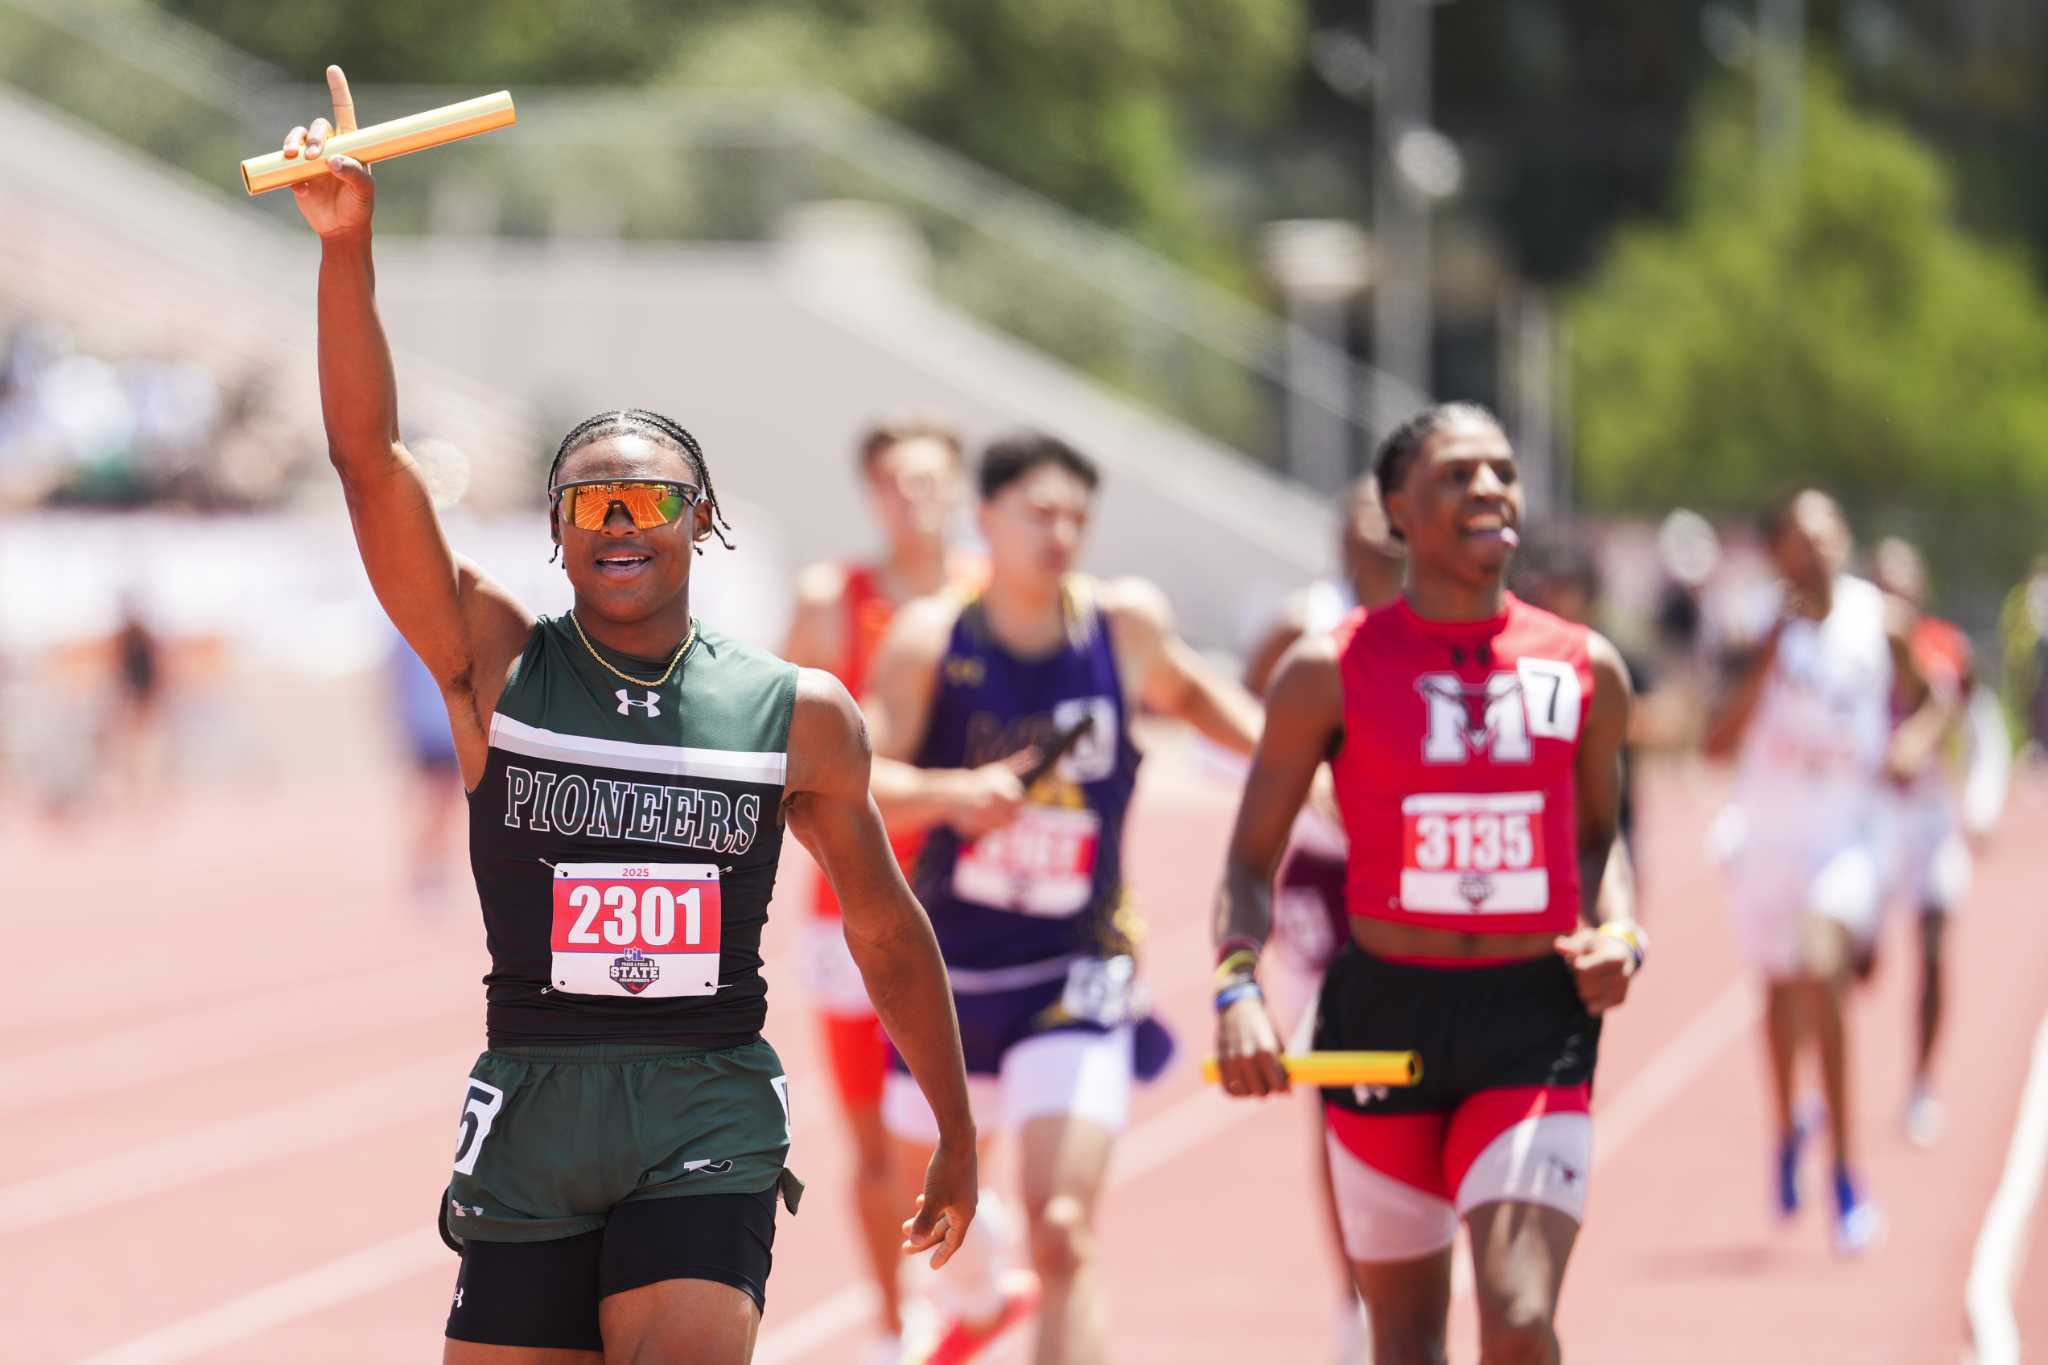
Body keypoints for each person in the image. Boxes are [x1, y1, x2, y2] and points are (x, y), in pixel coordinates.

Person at [279, 68, 977, 1364]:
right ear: (554, 532)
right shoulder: (490, 662)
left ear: (699, 523)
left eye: (648, 501)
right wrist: (348, 248)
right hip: (535, 1098)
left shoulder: (797, 713)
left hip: (704, 1100)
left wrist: (955, 1121)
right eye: (590, 504)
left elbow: (885, 925)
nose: (619, 523)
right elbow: (366, 462)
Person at [1213, 402, 1641, 1365]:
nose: (1489, 488)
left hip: (1533, 1017)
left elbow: (1602, 842)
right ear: (1396, 509)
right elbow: (1248, 861)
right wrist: (1237, 983)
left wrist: (1622, 934)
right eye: (1457, 474)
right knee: (1404, 1341)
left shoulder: (1585, 669)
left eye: (1502, 472)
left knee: (1520, 1315)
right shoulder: (1325, 670)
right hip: (1380, 1015)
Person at [862, 432, 1262, 1365]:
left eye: (1076, 515)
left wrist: (1314, 768)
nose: (1060, 531)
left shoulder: (1120, 627)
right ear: (986, 518)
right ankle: (976, 1290)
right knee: (924, 1208)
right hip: (948, 974)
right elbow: (862, 774)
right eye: (1038, 511)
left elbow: (1201, 698)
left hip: (1078, 966)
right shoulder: (932, 637)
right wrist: (958, 795)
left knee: (1067, 1227)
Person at [781, 416, 985, 1360]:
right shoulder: (835, 597)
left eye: (932, 480)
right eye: (898, 483)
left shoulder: (998, 597)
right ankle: (896, 1322)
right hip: (854, 904)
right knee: (870, 1141)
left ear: (960, 488)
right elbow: (771, 740)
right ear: (874, 492)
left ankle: (978, 1281)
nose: (916, 498)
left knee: (974, 1115)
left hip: (978, 904)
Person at [1703, 490, 1936, 1254]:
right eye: (1799, 539)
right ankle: (1783, 1127)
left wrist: (1912, 742)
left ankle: (1846, 1173)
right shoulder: (1753, 627)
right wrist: (1770, 653)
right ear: (1776, 553)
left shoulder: (1882, 621)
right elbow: (1715, 739)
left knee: (1825, 971)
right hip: (1768, 834)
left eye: (1828, 531)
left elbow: (1936, 702)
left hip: (1846, 834)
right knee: (1776, 992)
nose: (1818, 549)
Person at [1241, 472, 1405, 1365]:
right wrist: (1289, 779)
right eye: (1358, 518)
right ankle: (1355, 1302)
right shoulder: (1304, 621)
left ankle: (1410, 1275)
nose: (1373, 532)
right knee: (1346, 1087)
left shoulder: (1441, 620)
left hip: (1417, 880)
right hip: (1323, 883)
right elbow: (1230, 712)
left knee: (1425, 1089)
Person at [1869, 537, 1995, 1146]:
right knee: (1850, 957)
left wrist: (1982, 802)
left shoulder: (1946, 648)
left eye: (1901, 586)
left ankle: (1922, 1084)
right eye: (1881, 585)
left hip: (1928, 818)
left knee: (1936, 942)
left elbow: (1975, 725)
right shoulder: (1849, 651)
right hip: (1867, 818)